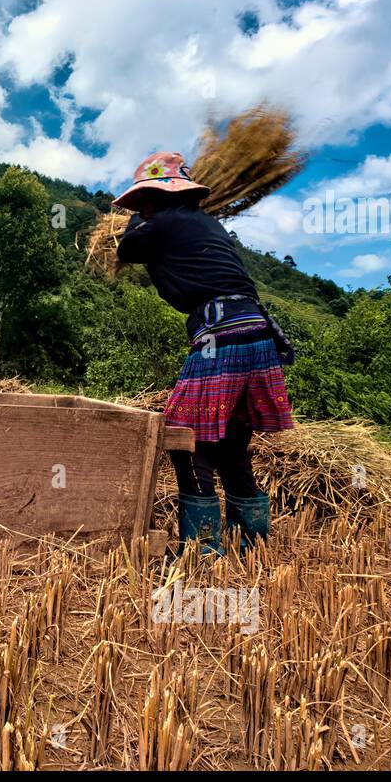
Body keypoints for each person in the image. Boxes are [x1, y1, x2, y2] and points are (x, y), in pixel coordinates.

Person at [113, 152, 294, 555]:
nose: (140, 207)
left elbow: (126, 249)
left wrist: (137, 216)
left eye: (144, 198)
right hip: (255, 332)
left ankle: (202, 549)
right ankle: (252, 546)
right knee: (231, 444)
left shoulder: (164, 222)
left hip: (222, 333)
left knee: (185, 439)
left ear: (156, 197)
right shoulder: (206, 223)